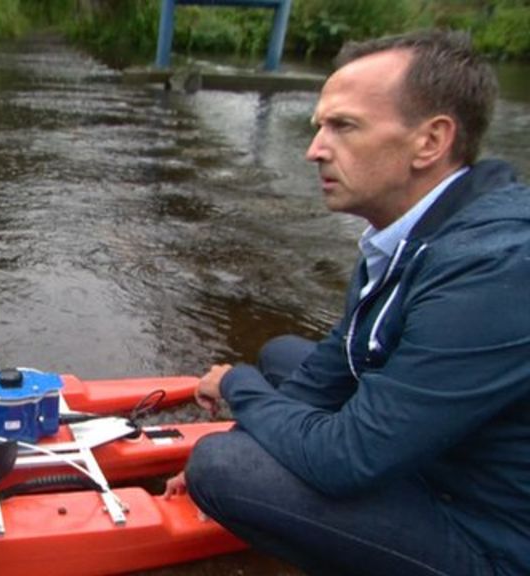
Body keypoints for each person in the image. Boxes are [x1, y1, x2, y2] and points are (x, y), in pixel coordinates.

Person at [164, 30, 529, 576]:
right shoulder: (411, 227)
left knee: (222, 466)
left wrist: (238, 388)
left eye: (343, 126)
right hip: (441, 455)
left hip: (492, 537)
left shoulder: (497, 266)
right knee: (286, 355)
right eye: (319, 127)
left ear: (430, 142)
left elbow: (347, 459)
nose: (315, 149)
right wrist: (251, 423)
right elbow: (332, 365)